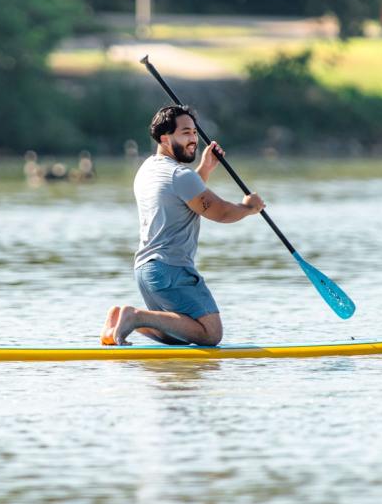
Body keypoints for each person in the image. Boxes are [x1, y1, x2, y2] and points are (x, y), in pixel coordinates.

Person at [101, 105, 265, 346]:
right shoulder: (180, 176)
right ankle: (135, 317)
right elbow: (221, 212)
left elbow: (184, 195)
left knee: (177, 334)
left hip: (146, 271)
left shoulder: (148, 169)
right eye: (186, 133)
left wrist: (206, 168)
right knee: (210, 334)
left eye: (195, 133)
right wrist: (249, 207)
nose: (193, 140)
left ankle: (119, 320)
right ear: (165, 138)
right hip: (171, 269)